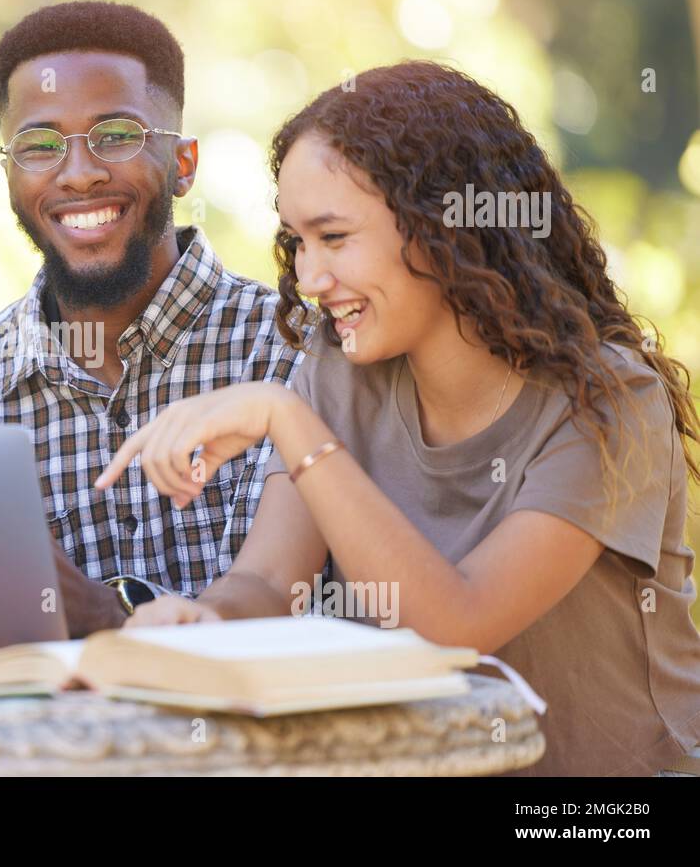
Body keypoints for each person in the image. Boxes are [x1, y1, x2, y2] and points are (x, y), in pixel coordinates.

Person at [96, 60, 700, 776]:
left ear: (442, 227)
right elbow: (267, 582)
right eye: (298, 242)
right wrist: (207, 620)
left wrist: (284, 417)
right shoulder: (341, 370)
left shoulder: (610, 400)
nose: (311, 279)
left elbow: (458, 624)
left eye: (335, 237)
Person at [0, 1, 305, 636]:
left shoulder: (293, 351)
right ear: (8, 175)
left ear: (183, 165)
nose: (79, 175)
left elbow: (282, 588)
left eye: (117, 136)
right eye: (40, 144)